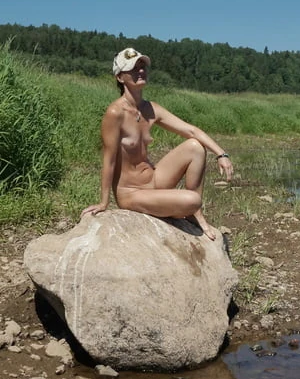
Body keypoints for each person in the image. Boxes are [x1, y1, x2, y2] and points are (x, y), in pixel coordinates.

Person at [81, 48, 233, 240]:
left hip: (155, 180)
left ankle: (195, 215)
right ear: (120, 77)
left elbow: (191, 130)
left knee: (195, 146)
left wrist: (221, 154)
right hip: (131, 193)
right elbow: (109, 161)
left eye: (143, 66)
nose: (141, 71)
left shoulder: (150, 108)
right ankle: (192, 208)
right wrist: (104, 203)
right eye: (134, 68)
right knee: (193, 200)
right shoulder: (115, 113)